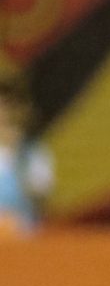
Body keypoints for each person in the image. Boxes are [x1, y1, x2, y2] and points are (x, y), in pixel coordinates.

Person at [0, 75, 54, 237]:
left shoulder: (33, 154)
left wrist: (18, 157)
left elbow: (41, 200)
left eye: (8, 107)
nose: (3, 114)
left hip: (21, 238)